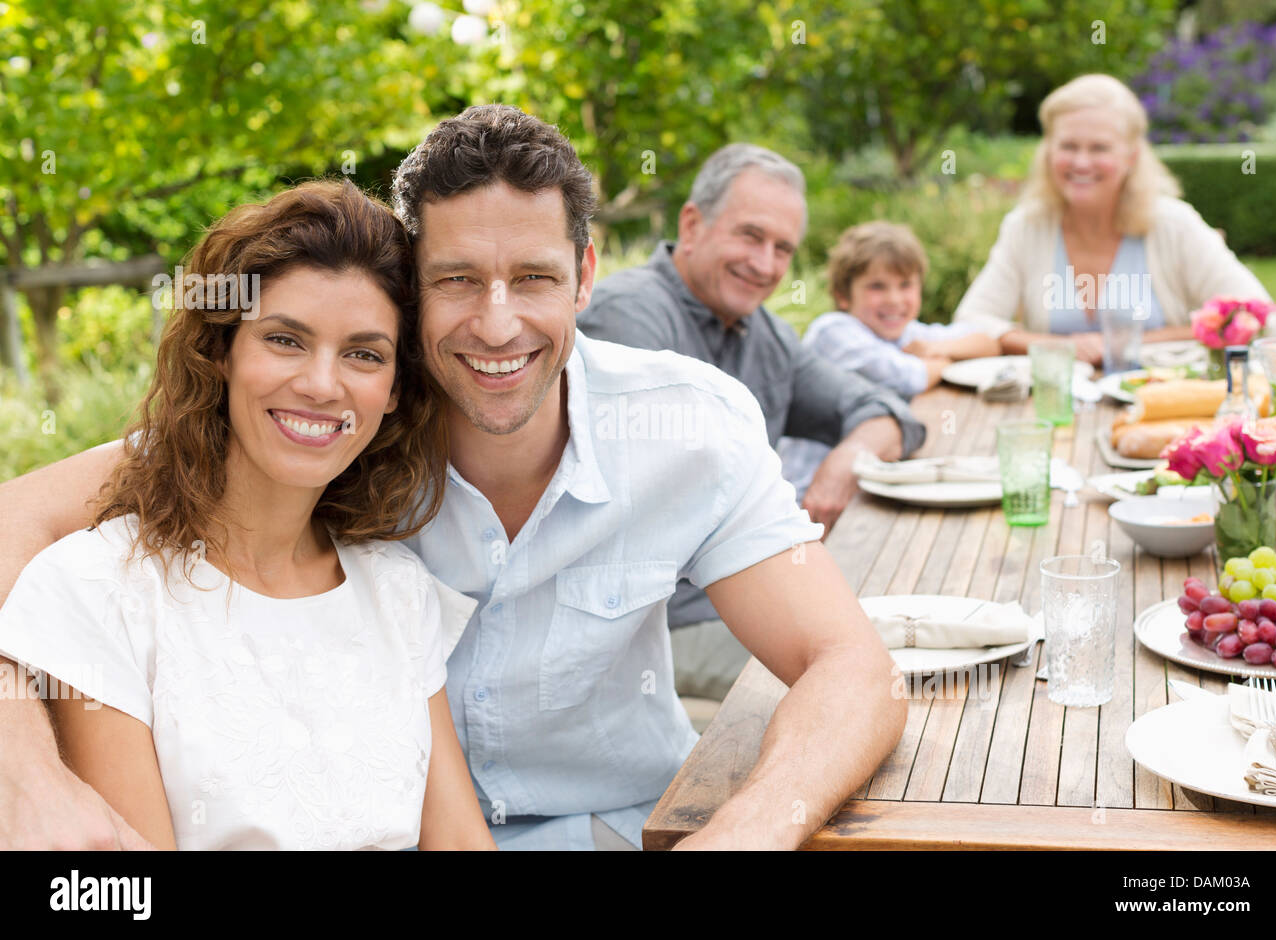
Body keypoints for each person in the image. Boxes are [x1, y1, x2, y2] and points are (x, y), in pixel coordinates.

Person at [0, 106, 906, 851]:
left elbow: (852, 668)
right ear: (412, 291)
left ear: (586, 276)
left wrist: (750, 830)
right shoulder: (324, 428)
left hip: (626, 832)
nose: (499, 323)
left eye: (535, 278)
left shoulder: (686, 431)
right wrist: (21, 774)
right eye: (459, 279)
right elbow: (23, 527)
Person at [0, 180, 495, 850]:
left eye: (364, 354)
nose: (322, 384)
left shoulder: (395, 590)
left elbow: (463, 845)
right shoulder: (100, 591)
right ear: (222, 352)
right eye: (286, 340)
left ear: (393, 392)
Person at [579, 144, 926, 700]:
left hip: (754, 594)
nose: (765, 264)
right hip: (664, 625)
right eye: (750, 236)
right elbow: (676, 481)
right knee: (877, 685)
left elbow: (888, 414)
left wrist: (843, 463)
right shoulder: (629, 313)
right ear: (693, 224)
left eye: (782, 248)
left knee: (916, 641)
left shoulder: (764, 333)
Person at [953, 73, 1271, 366]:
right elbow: (971, 323)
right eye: (1068, 146)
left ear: (1130, 157)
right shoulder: (1027, 226)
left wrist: (1120, 343)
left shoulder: (1174, 224)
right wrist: (1056, 346)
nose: (1081, 162)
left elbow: (1254, 314)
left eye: (1099, 148)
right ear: (1048, 151)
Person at [778, 221, 999, 500]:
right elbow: (910, 377)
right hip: (809, 495)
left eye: (905, 285)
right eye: (877, 287)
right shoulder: (833, 331)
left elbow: (988, 341)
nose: (894, 299)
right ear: (843, 296)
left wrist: (935, 349)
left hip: (865, 484)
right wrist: (942, 360)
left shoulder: (908, 333)